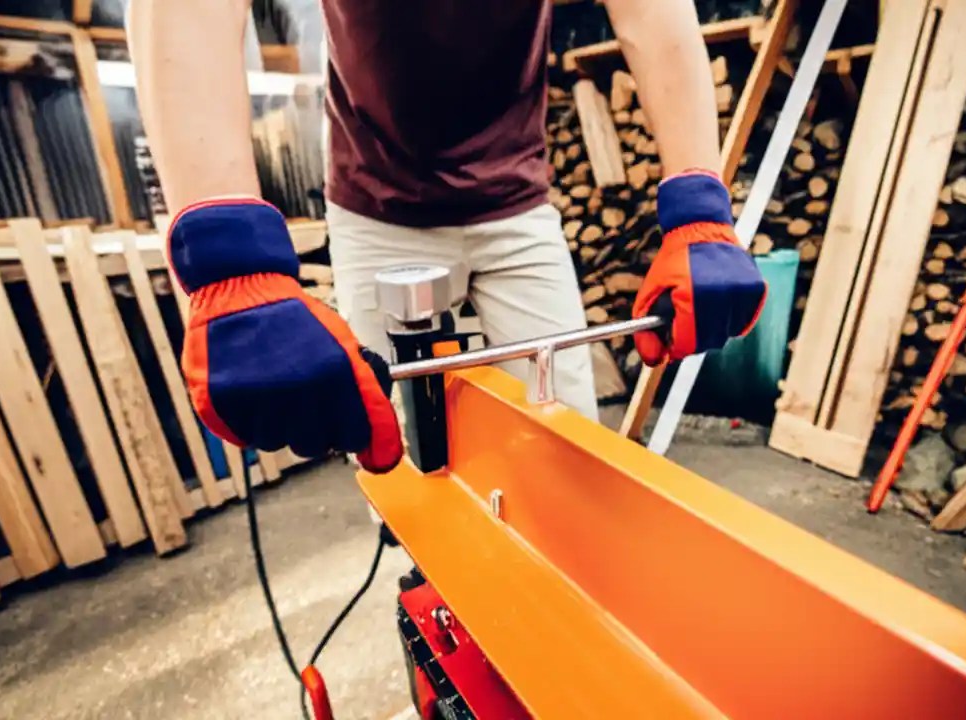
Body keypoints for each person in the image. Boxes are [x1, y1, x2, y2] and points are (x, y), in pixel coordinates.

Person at [128, 0, 765, 472]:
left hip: (515, 201)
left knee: (571, 444)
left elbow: (650, 12)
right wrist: (226, 259)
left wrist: (699, 205)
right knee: (397, 466)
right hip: (377, 205)